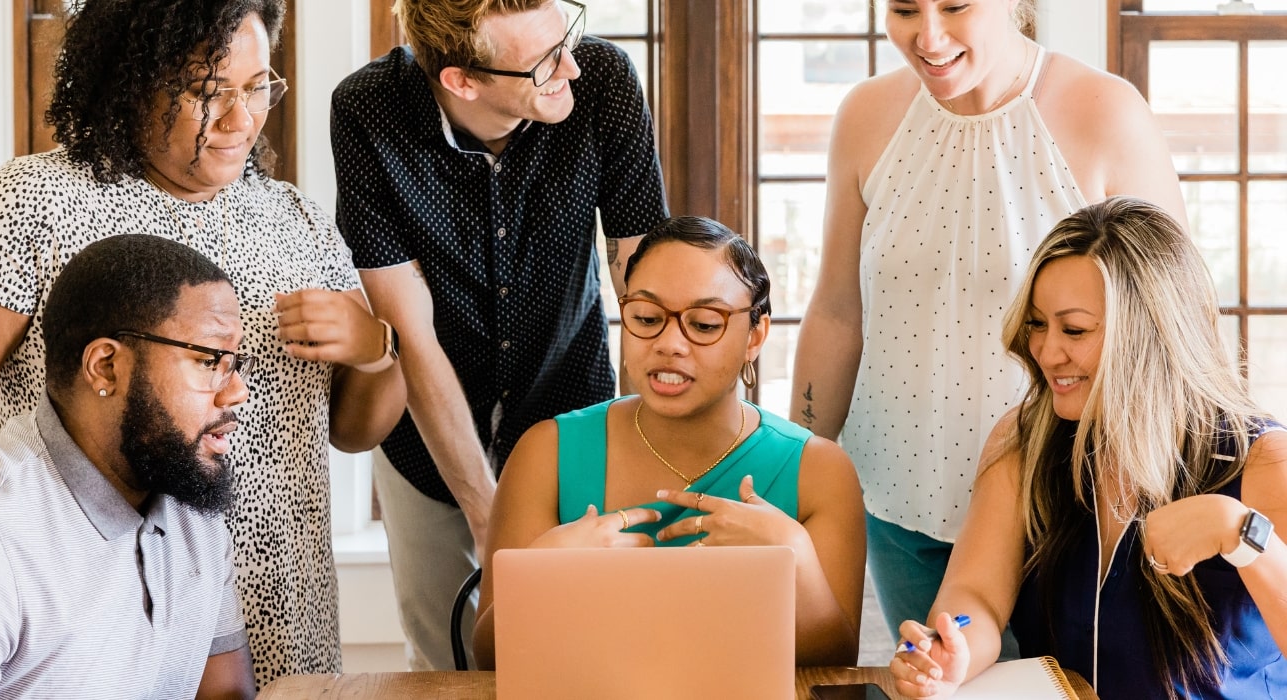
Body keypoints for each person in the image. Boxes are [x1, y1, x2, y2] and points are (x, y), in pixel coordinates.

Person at [0, 0, 405, 684]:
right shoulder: (25, 205)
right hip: (100, 616)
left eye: (258, 86)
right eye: (208, 92)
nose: (242, 118)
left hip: (282, 607)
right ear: (132, 76)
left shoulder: (298, 221)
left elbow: (356, 430)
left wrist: (375, 348)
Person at [788, 0, 1190, 645]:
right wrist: (798, 470)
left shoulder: (1104, 112)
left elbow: (1175, 320)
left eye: (955, 6)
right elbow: (838, 309)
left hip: (1062, 504)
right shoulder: (865, 116)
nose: (929, 35)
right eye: (903, 10)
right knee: (940, 682)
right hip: (898, 502)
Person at [331, 0, 668, 670]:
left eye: (565, 39)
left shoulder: (601, 79)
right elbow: (409, 331)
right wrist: (489, 519)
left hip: (570, 404)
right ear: (464, 80)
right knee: (446, 654)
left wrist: (655, 451)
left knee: (584, 652)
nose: (569, 65)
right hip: (425, 432)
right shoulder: (368, 109)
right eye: (544, 63)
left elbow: (646, 286)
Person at [889, 198, 1287, 699]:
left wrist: (1242, 534)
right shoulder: (1024, 440)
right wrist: (953, 650)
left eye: (1073, 329)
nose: (1046, 352)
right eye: (1038, 324)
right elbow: (978, 597)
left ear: (1150, 333)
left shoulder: (1262, 459)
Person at [0, 235, 258, 698]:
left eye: (235, 362)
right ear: (105, 367)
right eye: (208, 360)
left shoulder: (193, 517)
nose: (237, 390)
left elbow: (226, 694)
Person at [471, 216, 865, 669]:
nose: (669, 343)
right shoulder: (547, 453)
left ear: (755, 337)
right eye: (646, 318)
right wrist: (543, 577)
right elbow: (489, 659)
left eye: (702, 324)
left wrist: (794, 558)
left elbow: (835, 667)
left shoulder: (820, 471)